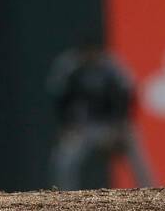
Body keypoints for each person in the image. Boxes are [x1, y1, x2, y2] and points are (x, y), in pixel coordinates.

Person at [49, 34, 155, 190]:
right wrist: (66, 126)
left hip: (112, 125)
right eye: (87, 52)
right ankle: (63, 196)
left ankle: (150, 191)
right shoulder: (70, 66)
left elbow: (128, 95)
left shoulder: (112, 65)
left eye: (94, 52)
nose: (91, 56)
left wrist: (121, 125)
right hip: (83, 128)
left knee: (136, 149)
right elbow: (60, 99)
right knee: (64, 158)